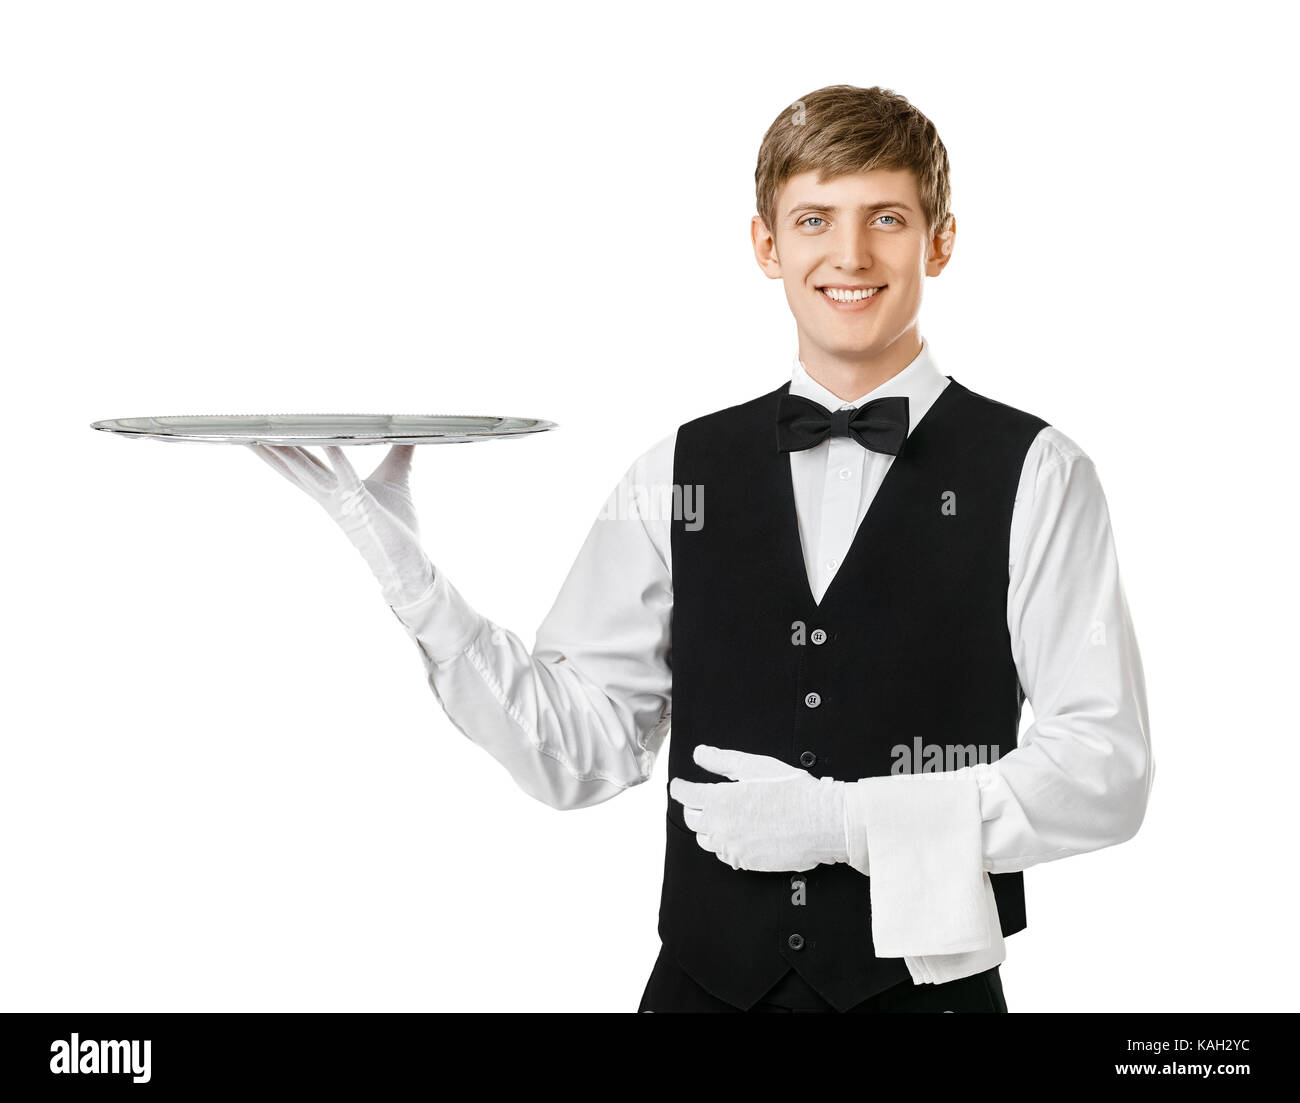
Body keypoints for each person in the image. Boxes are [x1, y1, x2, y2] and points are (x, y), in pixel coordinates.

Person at [247, 84, 1153, 1013]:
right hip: (700, 993)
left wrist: (849, 823)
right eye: (814, 219)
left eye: (886, 217)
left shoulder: (1039, 473)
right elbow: (584, 750)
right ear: (768, 244)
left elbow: (1104, 769)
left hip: (931, 998)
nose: (849, 255)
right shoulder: (672, 470)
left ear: (941, 239)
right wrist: (421, 592)